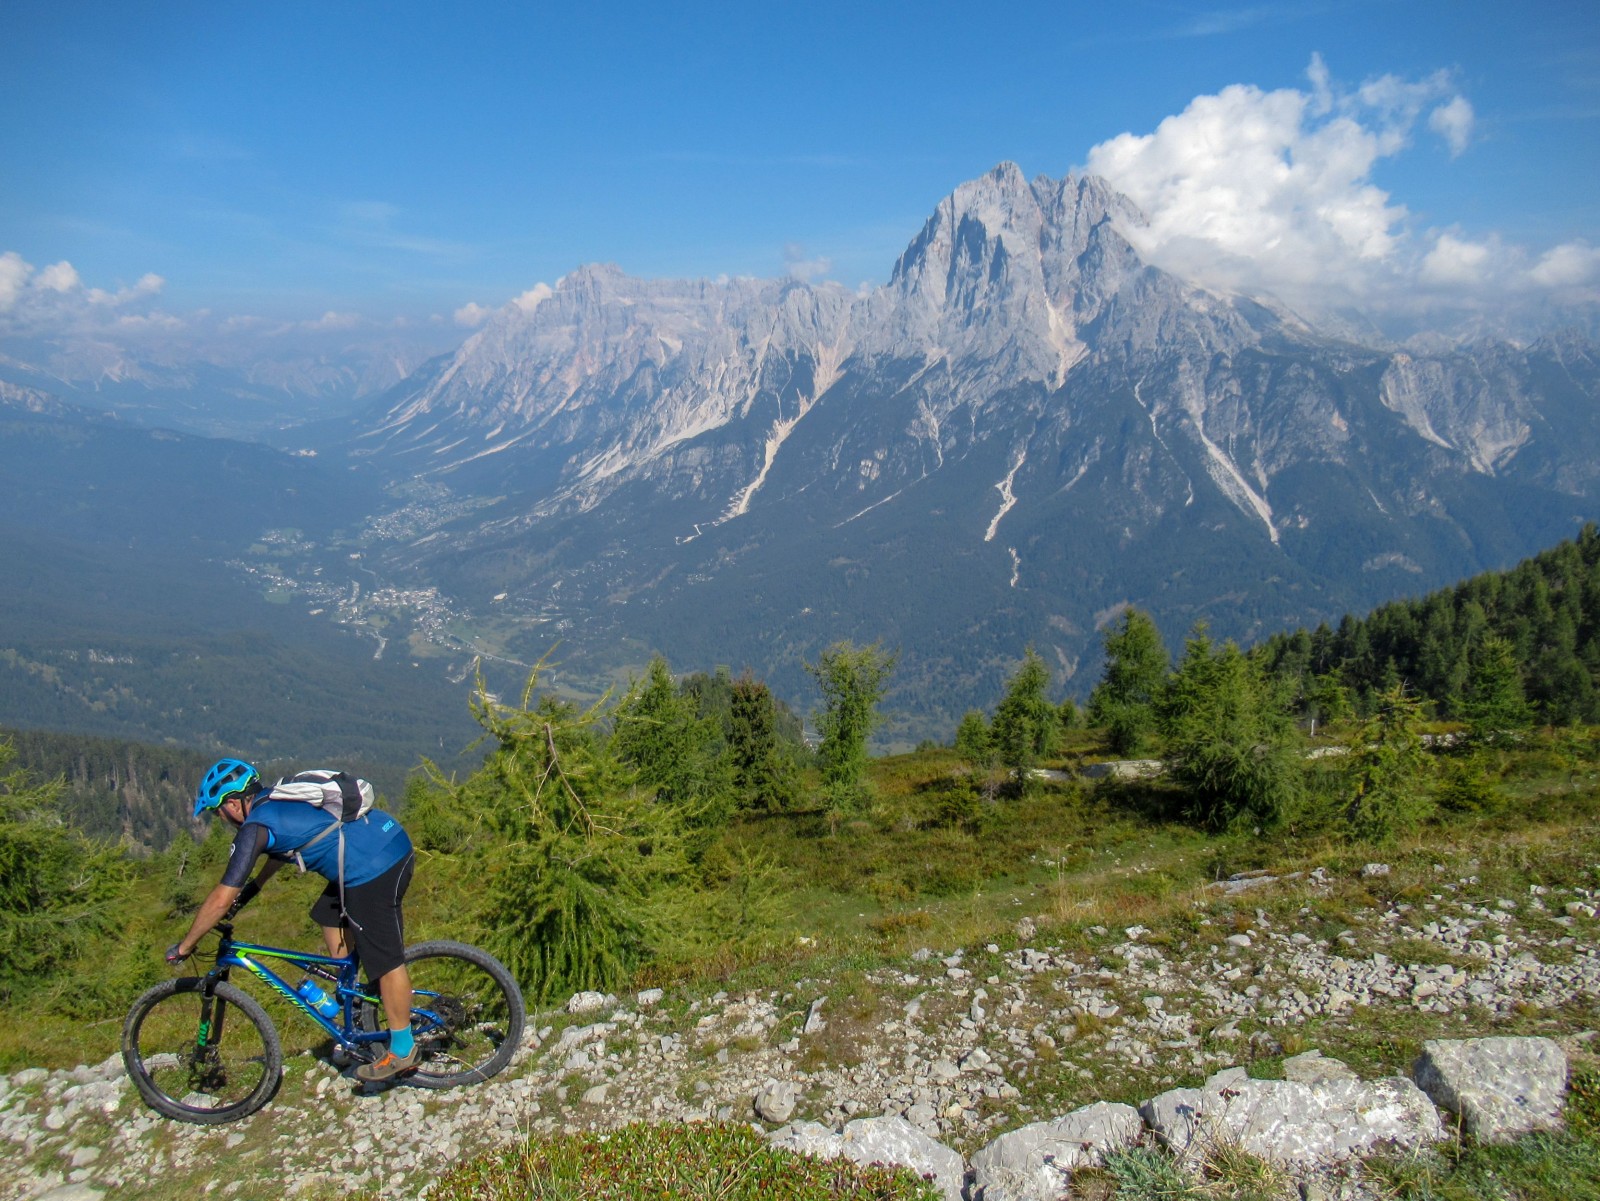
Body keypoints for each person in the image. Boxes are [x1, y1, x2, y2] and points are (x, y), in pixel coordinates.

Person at [167, 758, 420, 1082]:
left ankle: (402, 1050)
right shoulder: (276, 799)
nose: (220, 818)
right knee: (328, 915)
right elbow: (281, 849)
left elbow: (220, 897)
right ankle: (356, 1002)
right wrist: (254, 889)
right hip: (383, 840)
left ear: (232, 804)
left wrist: (186, 946)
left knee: (385, 962)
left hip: (374, 867)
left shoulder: (254, 827)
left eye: (218, 811)